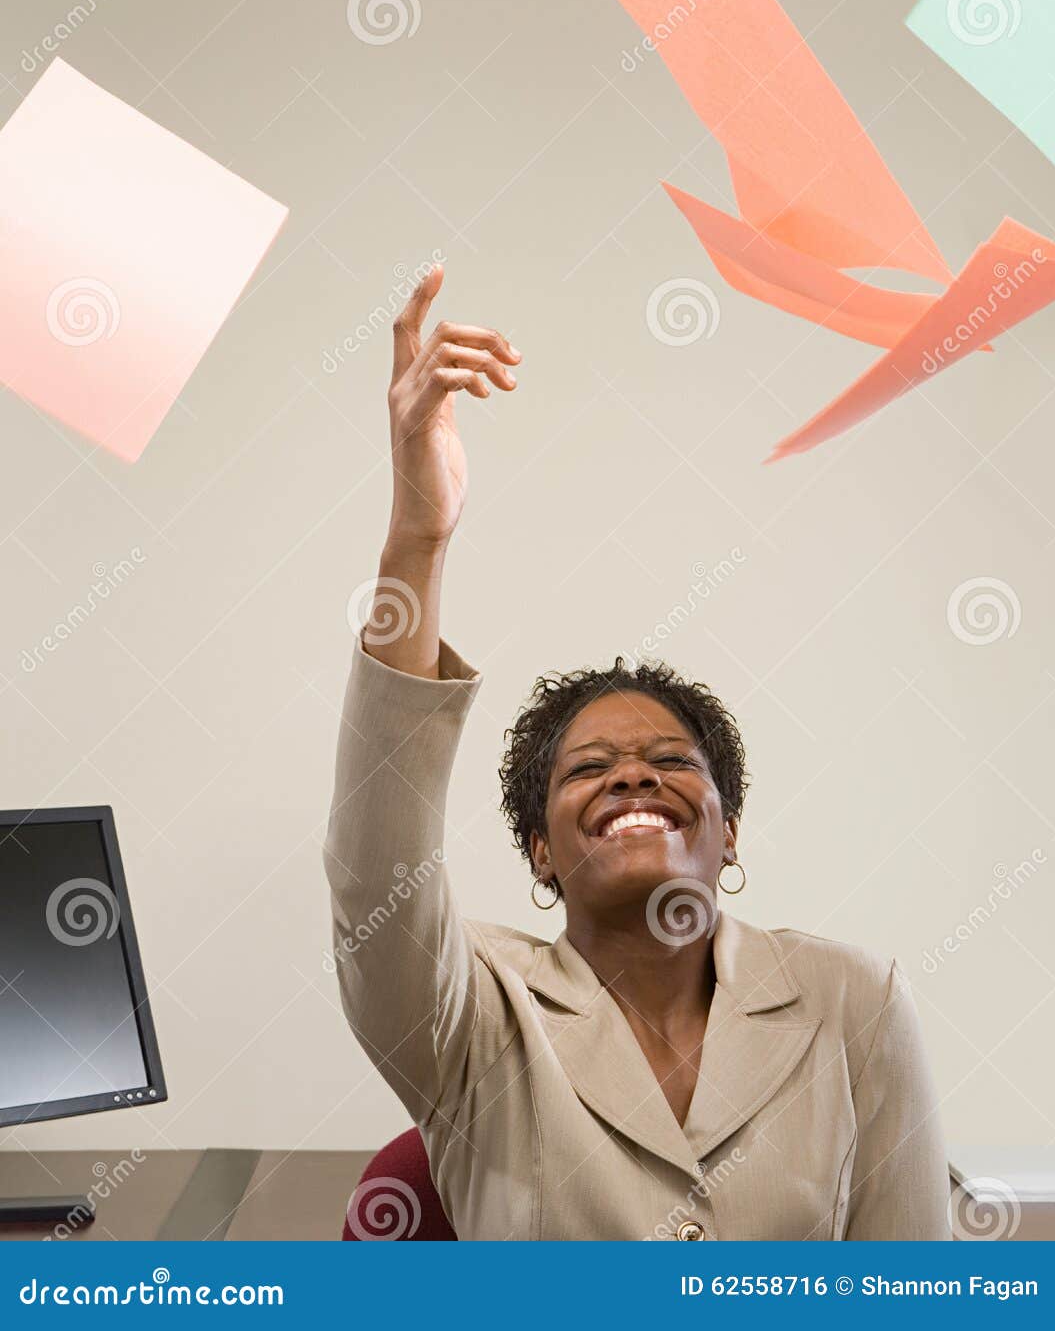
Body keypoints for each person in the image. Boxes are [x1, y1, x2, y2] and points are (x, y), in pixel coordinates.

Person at [324, 266, 950, 1241]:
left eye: (669, 759)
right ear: (538, 849)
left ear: (727, 831)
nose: (630, 774)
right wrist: (418, 535)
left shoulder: (853, 1000)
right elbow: (375, 871)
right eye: (586, 769)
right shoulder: (472, 1007)